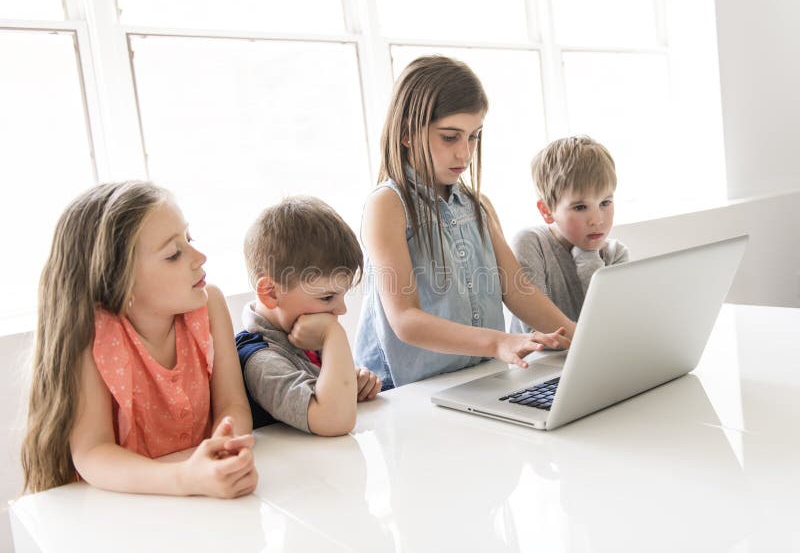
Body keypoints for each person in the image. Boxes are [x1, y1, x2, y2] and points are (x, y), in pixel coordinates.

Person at [21, 181, 258, 498]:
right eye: (174, 253)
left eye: (189, 239)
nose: (199, 256)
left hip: (201, 500)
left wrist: (225, 449)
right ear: (121, 282)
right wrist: (184, 478)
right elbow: (92, 452)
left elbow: (233, 404)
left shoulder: (209, 304)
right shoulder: (94, 336)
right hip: (122, 508)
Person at [354, 55, 575, 390]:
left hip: (475, 381)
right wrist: (498, 342)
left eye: (474, 136)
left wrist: (582, 339)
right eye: (449, 137)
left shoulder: (477, 205)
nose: (465, 153)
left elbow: (518, 290)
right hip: (404, 393)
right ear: (406, 134)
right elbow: (406, 320)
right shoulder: (388, 205)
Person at [236, 195, 380, 437]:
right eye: (327, 297)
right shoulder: (260, 360)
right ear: (271, 292)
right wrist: (334, 335)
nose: (341, 309)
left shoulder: (305, 334)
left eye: (342, 295)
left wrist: (352, 382)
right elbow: (334, 421)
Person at [509, 136, 630, 334]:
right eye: (580, 207)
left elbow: (616, 327)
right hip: (540, 363)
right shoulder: (531, 244)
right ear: (547, 211)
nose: (597, 220)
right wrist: (588, 256)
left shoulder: (616, 254)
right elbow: (538, 332)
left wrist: (588, 257)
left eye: (605, 203)